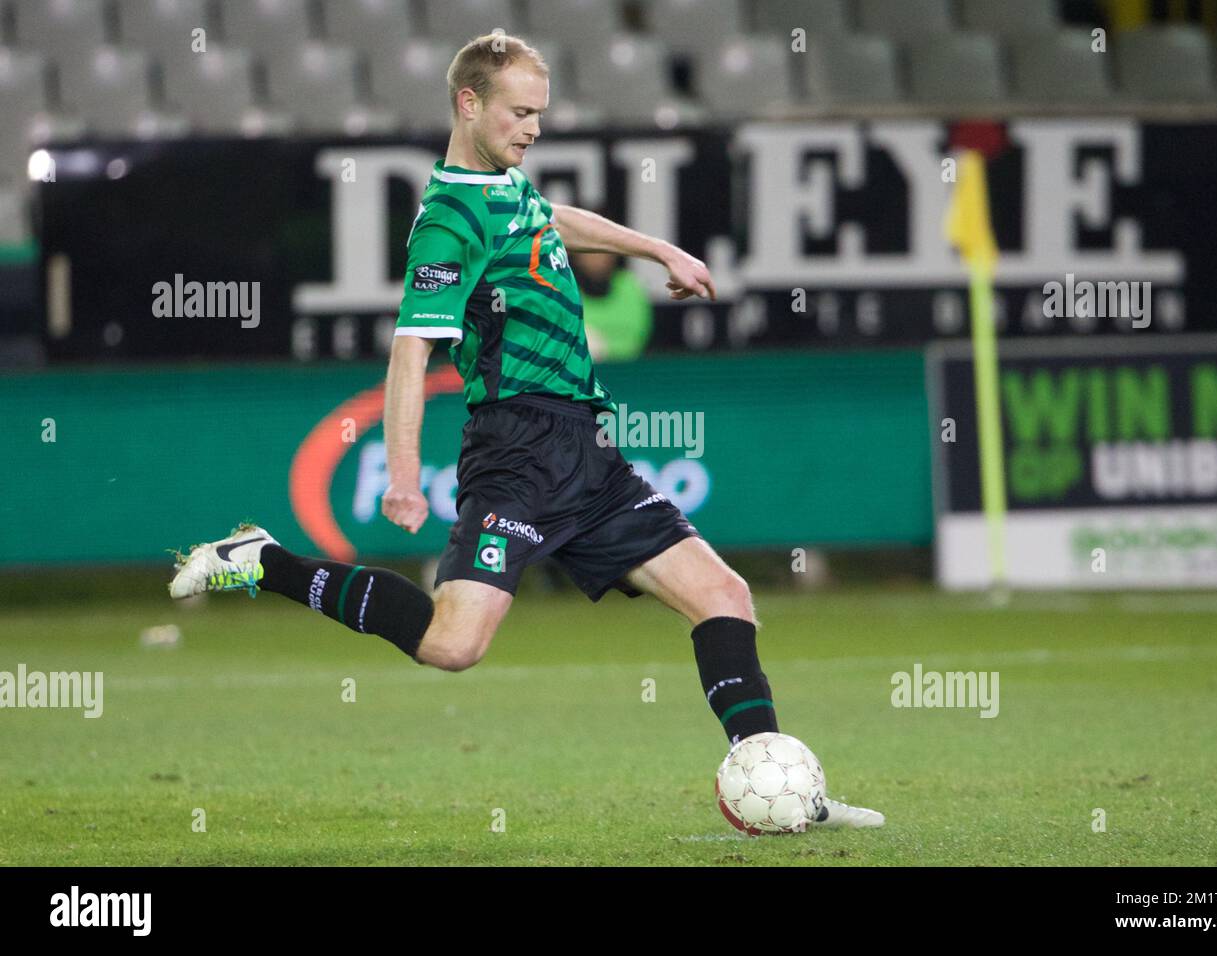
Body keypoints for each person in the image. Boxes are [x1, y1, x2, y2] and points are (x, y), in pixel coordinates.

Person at [168, 33, 882, 829]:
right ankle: (263, 561)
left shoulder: (505, 188)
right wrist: (402, 470)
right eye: (520, 112)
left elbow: (552, 219)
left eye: (540, 112)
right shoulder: (447, 222)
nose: (534, 128)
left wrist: (656, 248)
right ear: (468, 103)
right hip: (517, 455)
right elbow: (411, 348)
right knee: (452, 645)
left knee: (724, 595)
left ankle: (780, 786)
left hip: (589, 454)